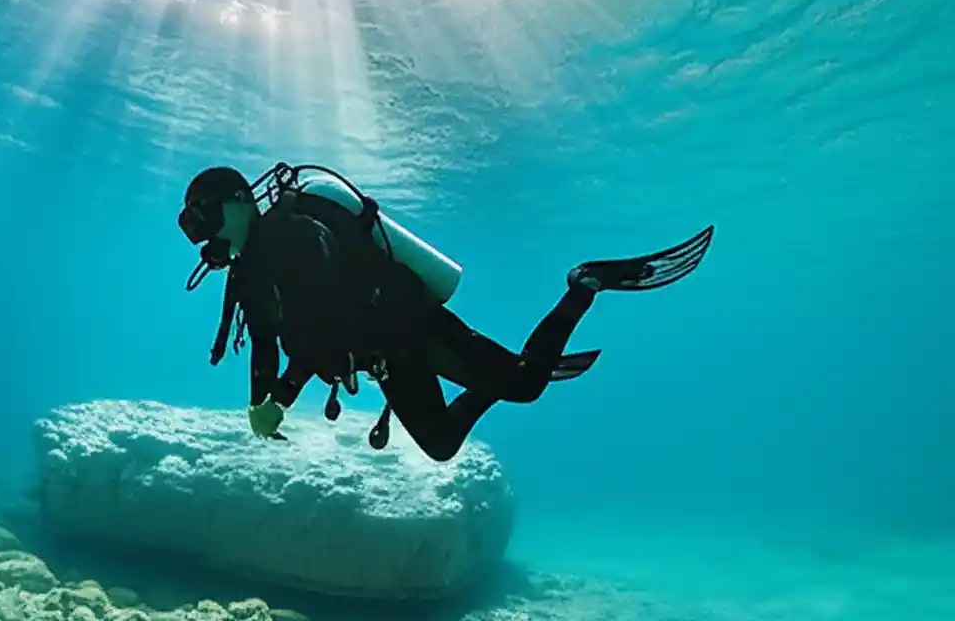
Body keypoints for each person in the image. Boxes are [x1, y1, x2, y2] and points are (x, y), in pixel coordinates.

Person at [177, 162, 713, 462]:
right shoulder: (247, 273)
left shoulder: (295, 236)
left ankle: (584, 285)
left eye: (205, 218)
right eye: (192, 226)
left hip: (413, 326)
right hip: (384, 358)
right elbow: (266, 343)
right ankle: (487, 384)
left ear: (241, 201)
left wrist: (287, 395)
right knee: (439, 445)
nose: (203, 234)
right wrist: (259, 404)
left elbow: (328, 321)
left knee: (527, 385)